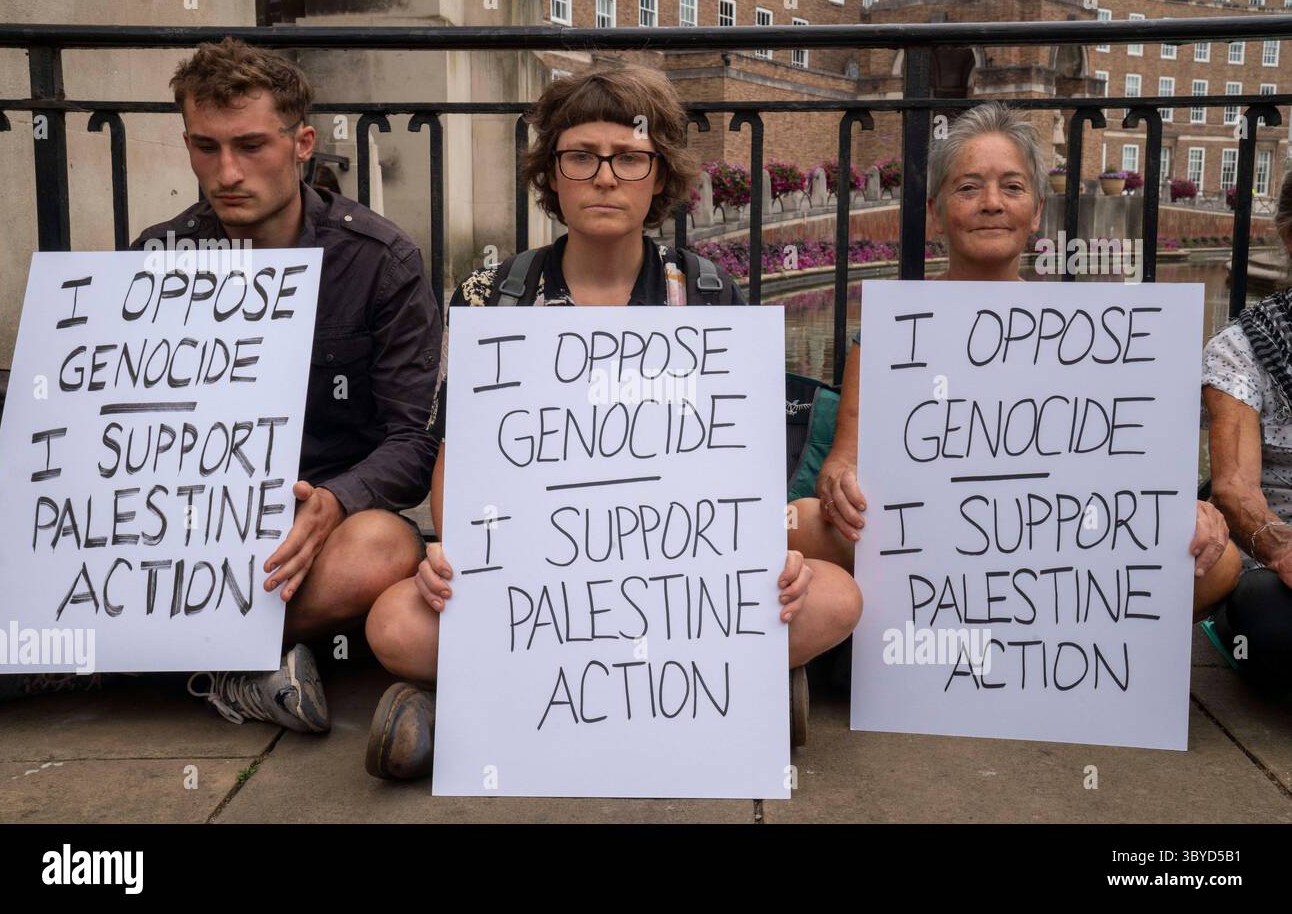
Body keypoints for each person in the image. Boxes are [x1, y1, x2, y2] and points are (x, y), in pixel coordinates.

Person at [362, 64, 865, 780]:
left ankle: (486, 704)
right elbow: (458, 450)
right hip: (538, 583)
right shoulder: (493, 293)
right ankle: (730, 691)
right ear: (553, 173)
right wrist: (459, 557)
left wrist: (764, 556)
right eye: (581, 157)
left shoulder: (711, 292)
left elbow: (743, 456)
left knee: (836, 596)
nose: (605, 177)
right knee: (392, 623)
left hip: (675, 578)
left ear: (659, 176)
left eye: (629, 157)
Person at [790, 101, 1239, 626]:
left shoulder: (1085, 334)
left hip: (1050, 538)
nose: (991, 204)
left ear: (1038, 210)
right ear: (936, 210)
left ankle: (1064, 637)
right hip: (925, 539)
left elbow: (1127, 467)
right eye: (968, 187)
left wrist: (1179, 502)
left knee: (1219, 558)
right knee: (795, 522)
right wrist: (839, 480)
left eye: (1012, 187)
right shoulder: (893, 329)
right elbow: (845, 459)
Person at [127, 38, 442, 731]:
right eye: (205, 148)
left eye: (250, 145)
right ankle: (242, 662)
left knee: (386, 545)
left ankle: (170, 654)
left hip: (322, 524)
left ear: (302, 143)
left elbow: (410, 440)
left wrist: (337, 499)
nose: (227, 171)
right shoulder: (160, 256)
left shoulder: (381, 260)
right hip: (193, 519)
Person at [1201, 165, 1292, 691]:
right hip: (1277, 553)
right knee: (1272, 631)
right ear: (1288, 232)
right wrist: (1284, 551)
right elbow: (1235, 489)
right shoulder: (1242, 349)